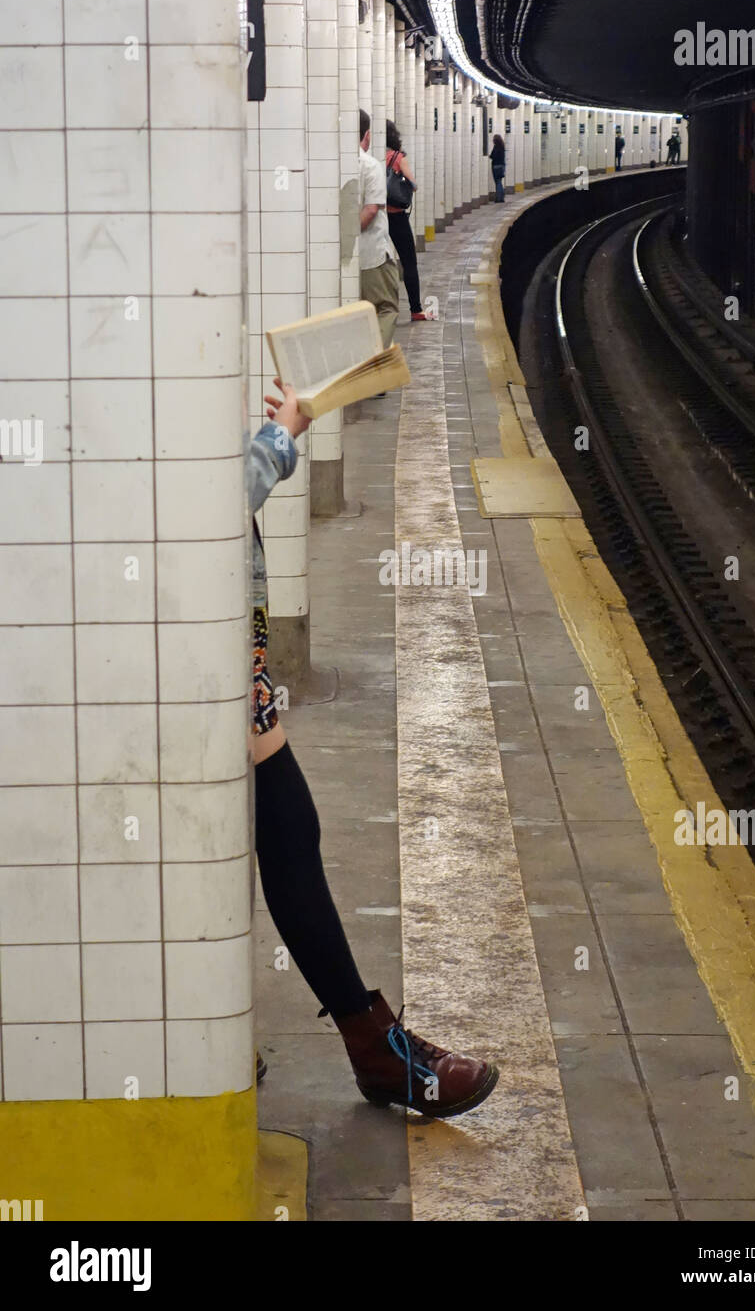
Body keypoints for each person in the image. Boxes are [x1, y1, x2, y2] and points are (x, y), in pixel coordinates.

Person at [248, 382, 499, 1117]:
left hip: (227, 666)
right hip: (181, 668)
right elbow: (206, 503)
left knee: (286, 831)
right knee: (284, 832)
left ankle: (371, 1046)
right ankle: (375, 1049)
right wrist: (281, 437)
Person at [359, 109, 400, 349]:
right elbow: (372, 209)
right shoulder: (370, 165)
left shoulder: (332, 162)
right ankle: (374, 365)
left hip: (346, 257)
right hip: (372, 253)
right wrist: (351, 235)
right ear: (367, 135)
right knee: (386, 307)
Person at [385, 119, 428, 323]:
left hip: (377, 216)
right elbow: (412, 183)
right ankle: (415, 309)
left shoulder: (373, 156)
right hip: (397, 217)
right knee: (409, 261)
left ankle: (382, 308)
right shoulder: (397, 157)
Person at [489, 133, 506, 203]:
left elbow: (493, 156)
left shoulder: (496, 147)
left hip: (496, 166)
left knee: (498, 182)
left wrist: (490, 156)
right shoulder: (502, 147)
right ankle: (501, 198)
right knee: (500, 182)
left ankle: (498, 198)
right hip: (502, 166)